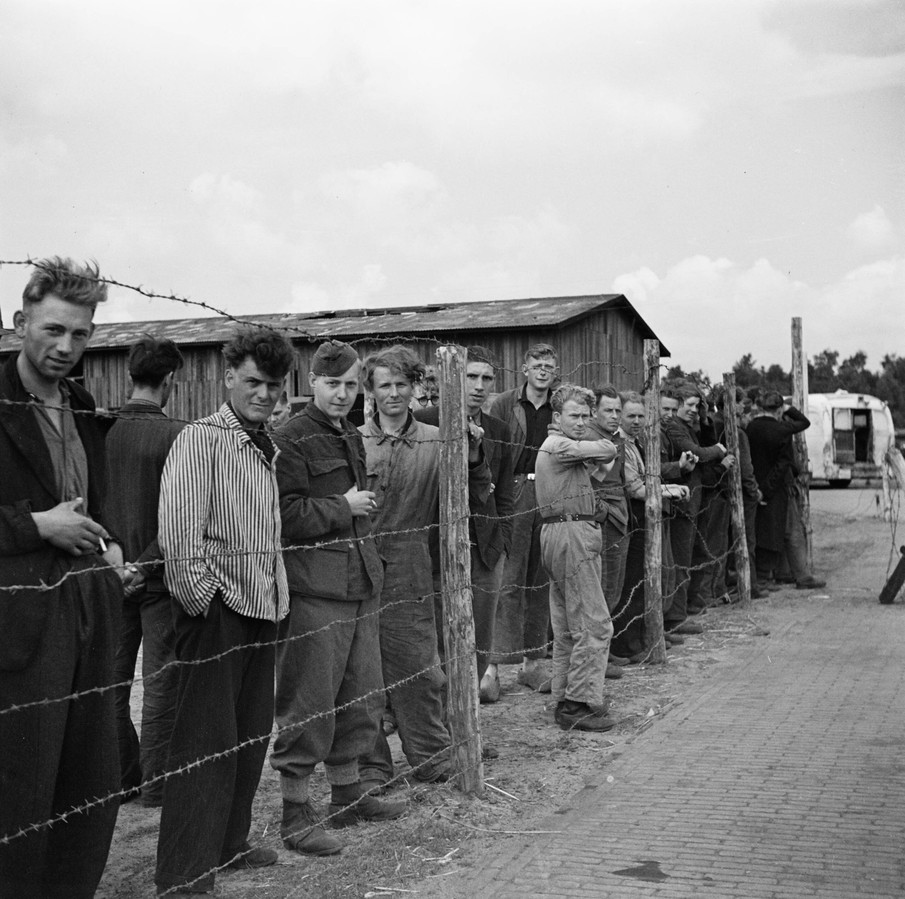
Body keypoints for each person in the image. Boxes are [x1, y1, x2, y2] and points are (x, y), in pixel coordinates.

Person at [0, 257, 125, 898]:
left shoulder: (78, 402)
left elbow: (88, 502)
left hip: (90, 613)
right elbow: (45, 515)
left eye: (80, 335)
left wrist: (107, 543)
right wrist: (35, 526)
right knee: (22, 791)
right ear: (19, 322)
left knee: (89, 780)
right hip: (21, 627)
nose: (65, 347)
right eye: (52, 330)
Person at [155, 329, 295, 894]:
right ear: (229, 377)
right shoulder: (201, 440)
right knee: (205, 742)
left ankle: (229, 845)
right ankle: (186, 872)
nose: (264, 394)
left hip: (262, 605)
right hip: (218, 611)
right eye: (254, 382)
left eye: (274, 385)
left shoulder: (264, 443)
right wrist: (206, 604)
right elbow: (180, 540)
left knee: (249, 733)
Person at [271, 340, 405, 859]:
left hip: (359, 582)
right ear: (312, 383)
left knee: (361, 694)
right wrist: (341, 506)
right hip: (314, 589)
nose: (343, 394)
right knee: (309, 701)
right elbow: (281, 516)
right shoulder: (290, 438)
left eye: (352, 385)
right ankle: (296, 812)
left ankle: (348, 793)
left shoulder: (347, 433)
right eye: (333, 384)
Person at [357, 345, 491, 789]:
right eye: (383, 385)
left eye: (401, 384)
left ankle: (430, 756)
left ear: (415, 388)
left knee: (420, 668)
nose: (393, 393)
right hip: (357, 561)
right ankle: (371, 766)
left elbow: (471, 493)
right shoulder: (353, 441)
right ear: (371, 391)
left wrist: (471, 454)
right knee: (361, 674)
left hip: (412, 559)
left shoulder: (437, 440)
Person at [105, 334, 186, 808]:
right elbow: (181, 514)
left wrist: (115, 562)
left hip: (109, 578)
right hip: (160, 579)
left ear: (129, 375)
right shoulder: (177, 434)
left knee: (109, 687)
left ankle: (124, 777)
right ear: (171, 380)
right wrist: (146, 563)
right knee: (161, 686)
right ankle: (157, 785)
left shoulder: (101, 431)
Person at [415, 346, 515, 701]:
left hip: (485, 548)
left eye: (486, 378)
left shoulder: (501, 429)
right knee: (437, 639)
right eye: (471, 376)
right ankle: (437, 723)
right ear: (453, 378)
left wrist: (502, 542)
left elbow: (504, 494)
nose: (478, 386)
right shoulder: (425, 420)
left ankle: (466, 718)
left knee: (480, 640)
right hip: (433, 545)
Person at [536, 384, 618, 731]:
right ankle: (578, 702)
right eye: (575, 415)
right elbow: (608, 447)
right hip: (570, 534)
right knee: (595, 623)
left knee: (569, 624)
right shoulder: (560, 445)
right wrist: (600, 444)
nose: (582, 422)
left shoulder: (566, 447)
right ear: (557, 417)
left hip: (564, 533)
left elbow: (602, 457)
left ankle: (566, 696)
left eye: (586, 415)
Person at [486, 343, 557, 695]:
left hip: (548, 491)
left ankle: (532, 664)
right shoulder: (505, 404)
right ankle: (492, 669)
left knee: (539, 579)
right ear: (525, 369)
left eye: (549, 366)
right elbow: (495, 450)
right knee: (508, 579)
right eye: (537, 365)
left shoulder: (560, 404)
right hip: (513, 490)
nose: (543, 371)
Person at [611, 392, 689, 659]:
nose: (636, 421)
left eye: (641, 416)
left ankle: (641, 639)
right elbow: (635, 488)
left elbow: (647, 480)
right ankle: (628, 644)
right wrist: (667, 491)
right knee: (630, 584)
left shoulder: (638, 442)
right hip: (630, 519)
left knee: (642, 581)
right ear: (619, 415)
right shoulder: (619, 444)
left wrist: (668, 486)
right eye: (630, 415)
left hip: (641, 517)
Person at [663, 383, 729, 634]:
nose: (692, 410)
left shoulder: (688, 426)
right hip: (682, 501)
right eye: (687, 405)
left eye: (696, 405)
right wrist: (718, 450)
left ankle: (683, 609)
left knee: (689, 555)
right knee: (680, 558)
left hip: (692, 500)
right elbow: (697, 453)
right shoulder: (673, 426)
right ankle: (676, 617)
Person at [746, 391, 825, 590]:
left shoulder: (750, 428)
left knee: (764, 532)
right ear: (780, 409)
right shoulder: (782, 430)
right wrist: (769, 489)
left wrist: (758, 489)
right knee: (792, 531)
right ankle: (800, 576)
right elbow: (783, 464)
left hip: (755, 486)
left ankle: (770, 575)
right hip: (777, 488)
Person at [587, 385, 630, 677]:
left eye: (618, 411)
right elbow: (589, 477)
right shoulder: (590, 438)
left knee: (613, 585)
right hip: (600, 515)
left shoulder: (615, 437)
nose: (615, 416)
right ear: (595, 412)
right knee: (600, 587)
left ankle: (605, 651)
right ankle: (596, 658)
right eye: (608, 411)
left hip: (618, 513)